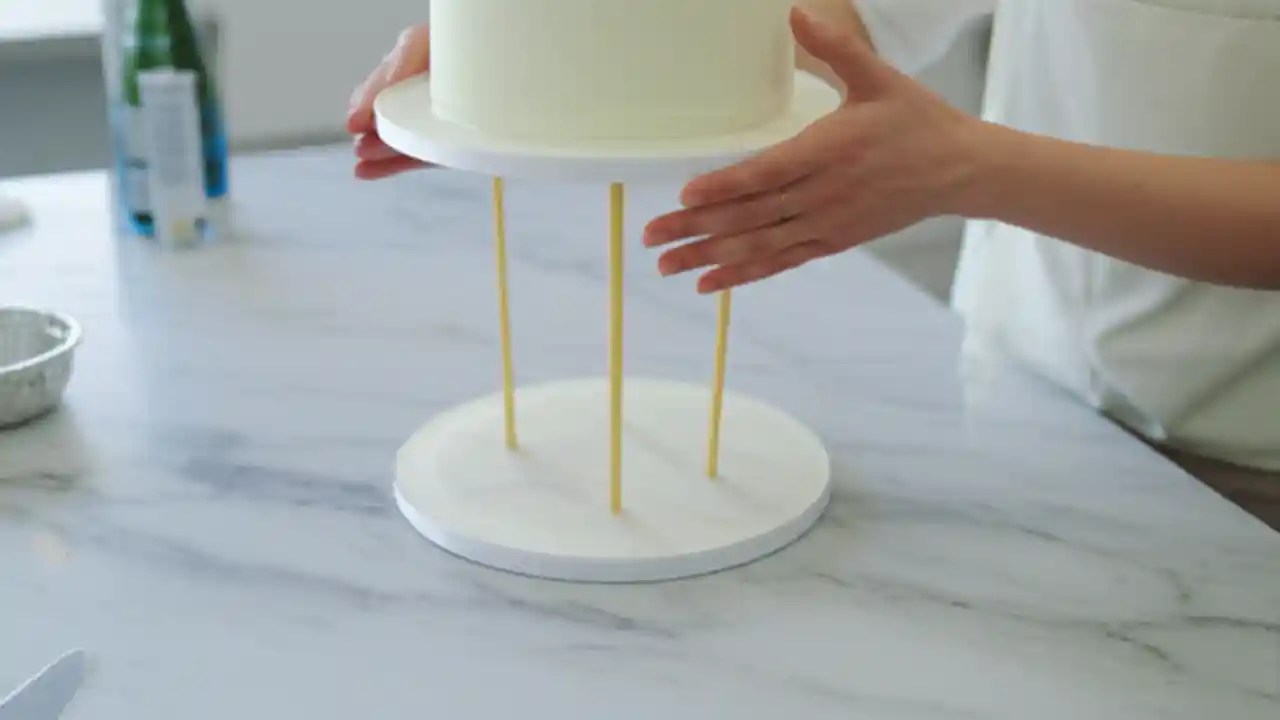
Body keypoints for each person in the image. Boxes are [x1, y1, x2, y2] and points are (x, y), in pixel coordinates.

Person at [346, 1, 1280, 530]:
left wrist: (969, 167)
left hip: (1251, 461)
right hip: (1013, 395)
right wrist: (550, 44)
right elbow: (838, 21)